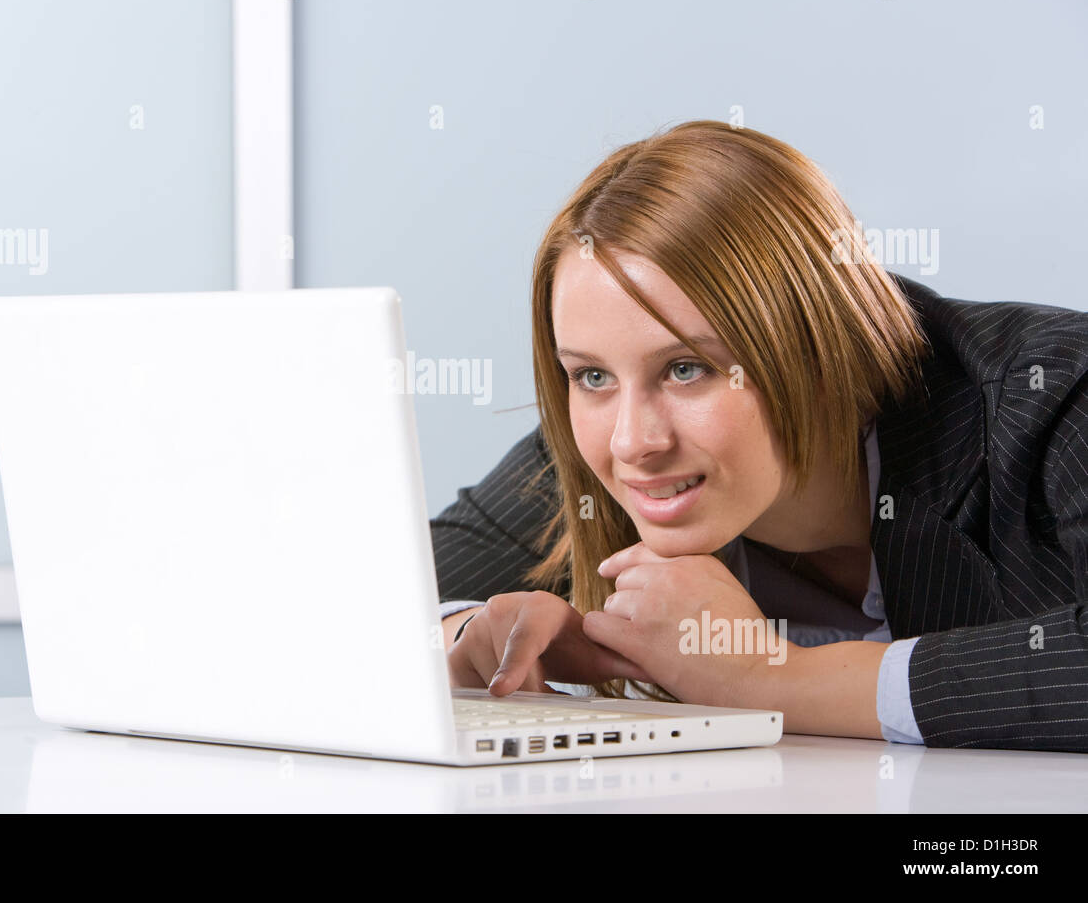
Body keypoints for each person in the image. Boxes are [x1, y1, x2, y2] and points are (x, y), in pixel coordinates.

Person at [432, 119, 1088, 752]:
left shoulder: (1056, 394)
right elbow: (364, 590)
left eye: (686, 368)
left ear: (822, 346)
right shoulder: (612, 444)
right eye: (591, 374)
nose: (632, 443)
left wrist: (771, 680)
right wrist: (475, 636)